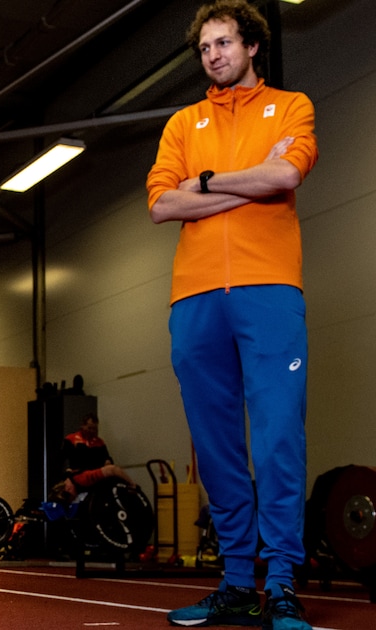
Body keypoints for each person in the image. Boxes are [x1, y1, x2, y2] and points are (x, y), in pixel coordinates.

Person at [146, 2, 318, 628]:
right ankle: (237, 580)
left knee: (277, 437)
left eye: (224, 43)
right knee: (215, 447)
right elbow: (162, 206)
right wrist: (245, 179)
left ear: (251, 47)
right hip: (193, 300)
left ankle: (281, 584)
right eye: (204, 48)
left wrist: (205, 187)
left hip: (269, 290)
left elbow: (285, 175)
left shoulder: (293, 106)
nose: (213, 55)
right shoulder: (184, 123)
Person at [53, 412, 135, 502]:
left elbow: (107, 457)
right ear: (83, 425)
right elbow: (60, 460)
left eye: (94, 429)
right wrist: (65, 476)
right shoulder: (71, 439)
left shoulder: (99, 442)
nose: (92, 431)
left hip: (95, 475)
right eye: (89, 428)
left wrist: (107, 461)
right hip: (79, 476)